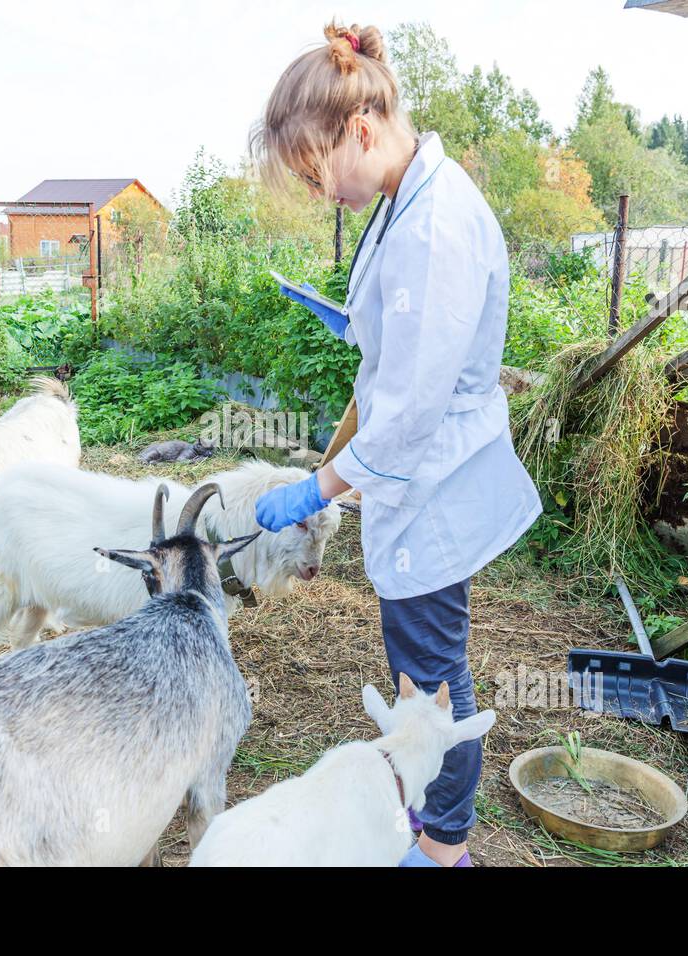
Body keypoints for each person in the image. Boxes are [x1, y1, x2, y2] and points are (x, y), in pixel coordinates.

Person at [251, 21, 542, 867]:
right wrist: (355, 323)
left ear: (362, 132)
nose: (318, 192)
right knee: (421, 662)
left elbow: (410, 415)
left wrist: (317, 490)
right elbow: (408, 340)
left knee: (434, 682)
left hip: (431, 478)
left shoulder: (431, 225)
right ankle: (435, 831)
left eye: (317, 170)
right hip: (417, 471)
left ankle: (444, 847)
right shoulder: (408, 199)